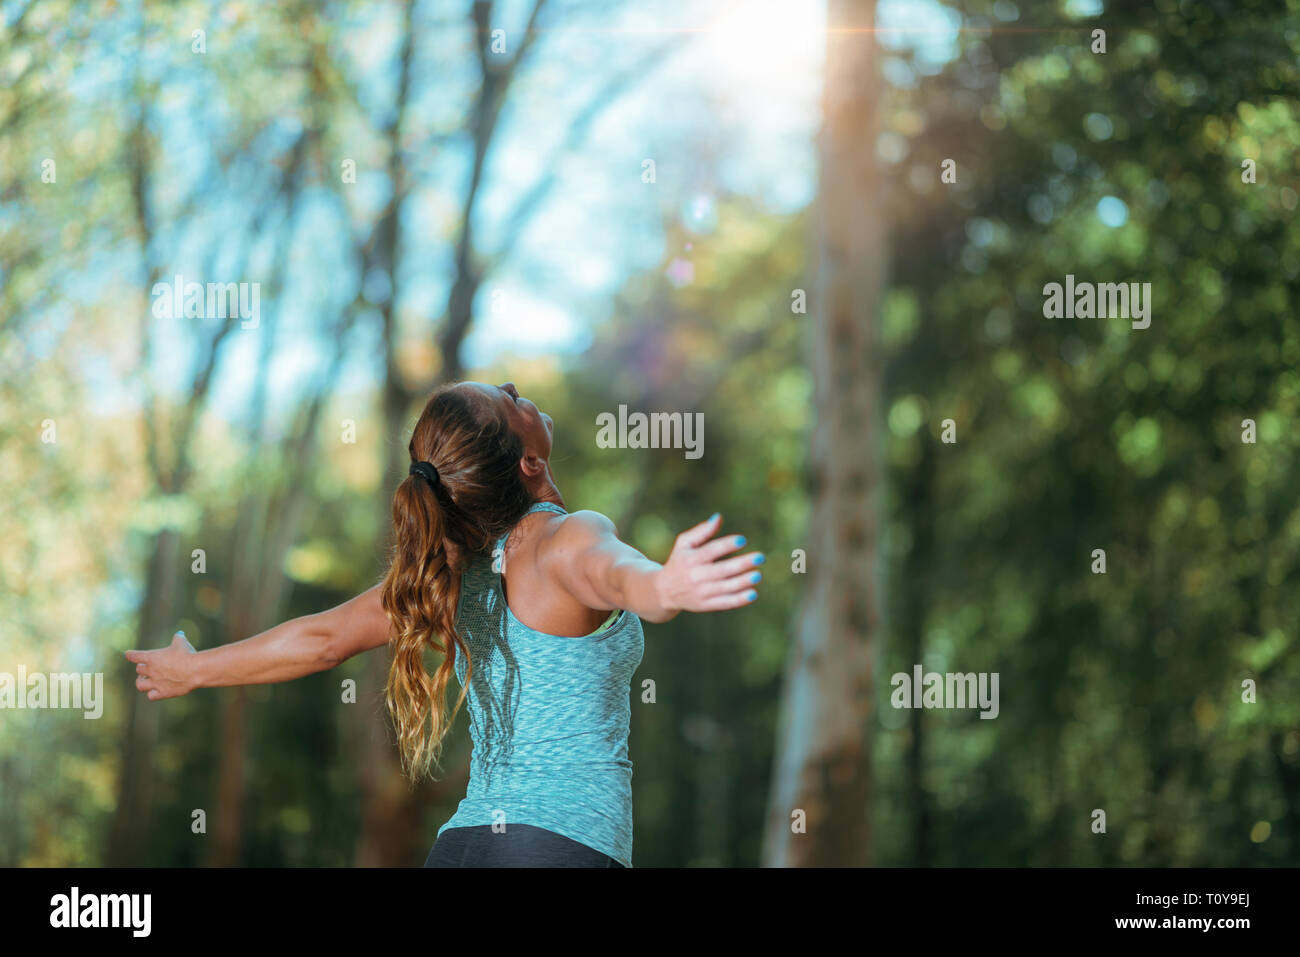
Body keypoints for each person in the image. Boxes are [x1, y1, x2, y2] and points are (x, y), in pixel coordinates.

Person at [126, 380, 763, 867]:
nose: (515, 388)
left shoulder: (449, 572)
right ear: (528, 465)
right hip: (555, 847)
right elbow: (621, 575)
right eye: (506, 401)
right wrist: (665, 586)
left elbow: (322, 640)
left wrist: (194, 669)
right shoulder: (571, 538)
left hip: (461, 848)